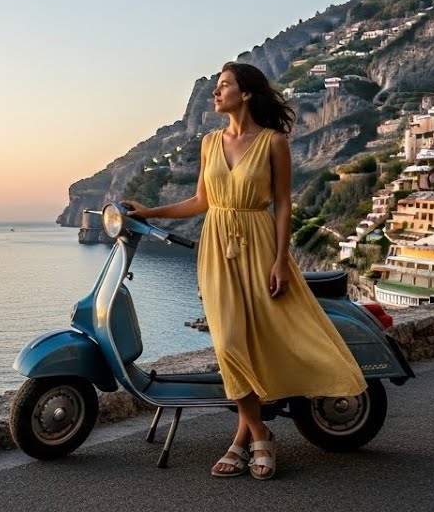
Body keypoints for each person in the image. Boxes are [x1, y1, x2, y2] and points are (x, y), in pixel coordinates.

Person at [123, 61, 366, 480]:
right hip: (217, 246)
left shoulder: (273, 142)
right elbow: (200, 201)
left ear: (246, 93)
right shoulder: (209, 143)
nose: (216, 94)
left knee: (256, 343)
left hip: (257, 244)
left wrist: (280, 260)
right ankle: (259, 433)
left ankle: (243, 440)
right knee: (230, 344)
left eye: (224, 86)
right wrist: (151, 212)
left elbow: (284, 203)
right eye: (216, 87)